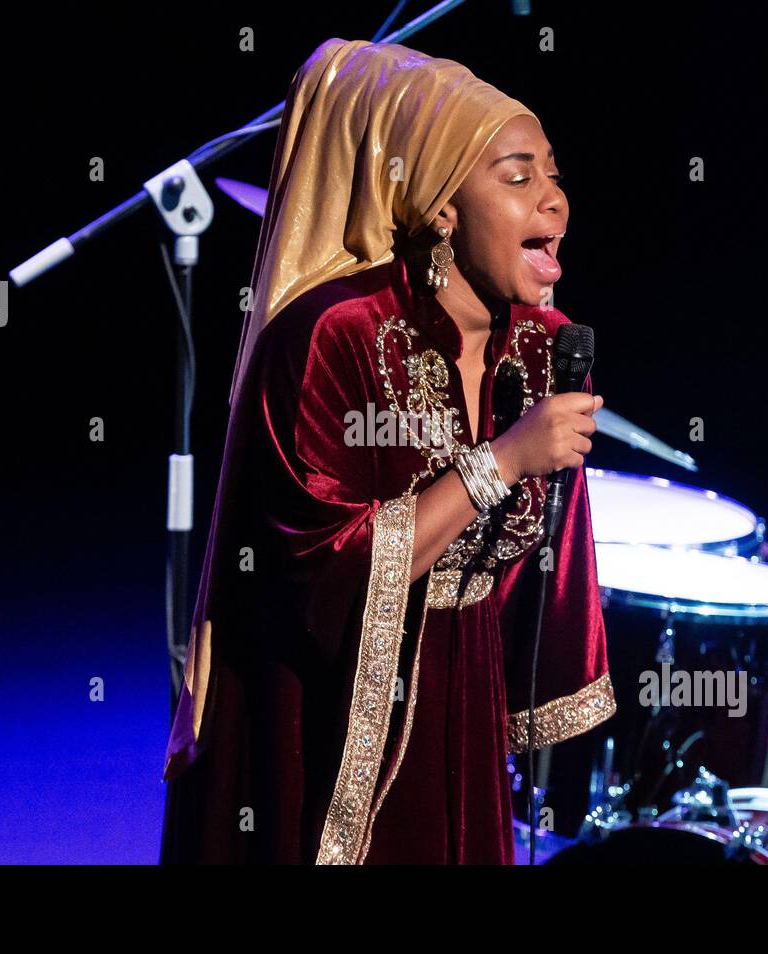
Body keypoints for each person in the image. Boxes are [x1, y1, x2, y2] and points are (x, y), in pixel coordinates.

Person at [159, 38, 614, 864]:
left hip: (459, 702)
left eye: (553, 173)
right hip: (320, 711)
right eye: (517, 179)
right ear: (441, 206)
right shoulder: (333, 336)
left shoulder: (546, 348)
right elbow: (312, 562)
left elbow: (536, 562)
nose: (554, 202)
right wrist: (502, 461)